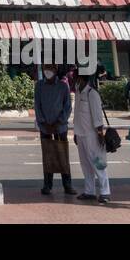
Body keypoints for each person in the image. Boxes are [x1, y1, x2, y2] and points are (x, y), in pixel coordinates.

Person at [35, 62, 75, 195]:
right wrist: (44, 122)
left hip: (60, 127)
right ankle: (47, 185)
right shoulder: (39, 86)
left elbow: (67, 107)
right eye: (45, 68)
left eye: (50, 68)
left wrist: (59, 122)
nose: (47, 71)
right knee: (48, 156)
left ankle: (67, 185)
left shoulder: (63, 86)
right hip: (45, 127)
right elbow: (37, 106)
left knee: (62, 155)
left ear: (55, 70)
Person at [72, 70, 110, 204]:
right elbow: (77, 114)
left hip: (92, 135)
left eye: (75, 77)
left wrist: (100, 135)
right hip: (81, 133)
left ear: (81, 78)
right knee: (85, 164)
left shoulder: (92, 93)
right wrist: (75, 133)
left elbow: (97, 117)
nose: (73, 79)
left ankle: (105, 192)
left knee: (98, 162)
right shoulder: (78, 91)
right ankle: (90, 191)